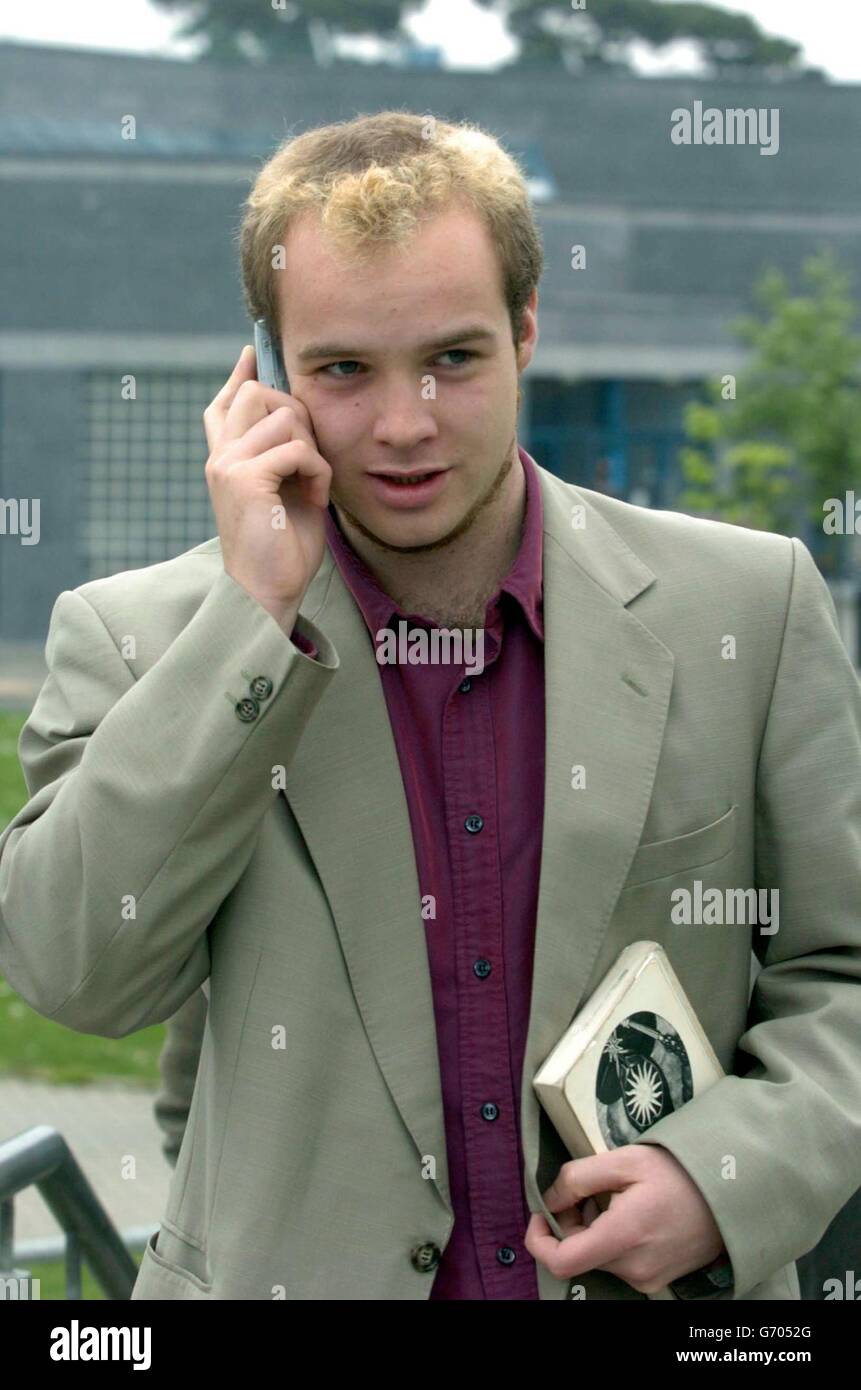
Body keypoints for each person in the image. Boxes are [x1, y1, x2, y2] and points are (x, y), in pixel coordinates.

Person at [1, 111, 859, 1302]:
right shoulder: (141, 640)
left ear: (526, 332)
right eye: (344, 369)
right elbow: (75, 975)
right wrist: (254, 620)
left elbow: (844, 974)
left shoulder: (749, 609)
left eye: (453, 359)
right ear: (266, 373)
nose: (404, 425)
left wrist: (726, 1173)